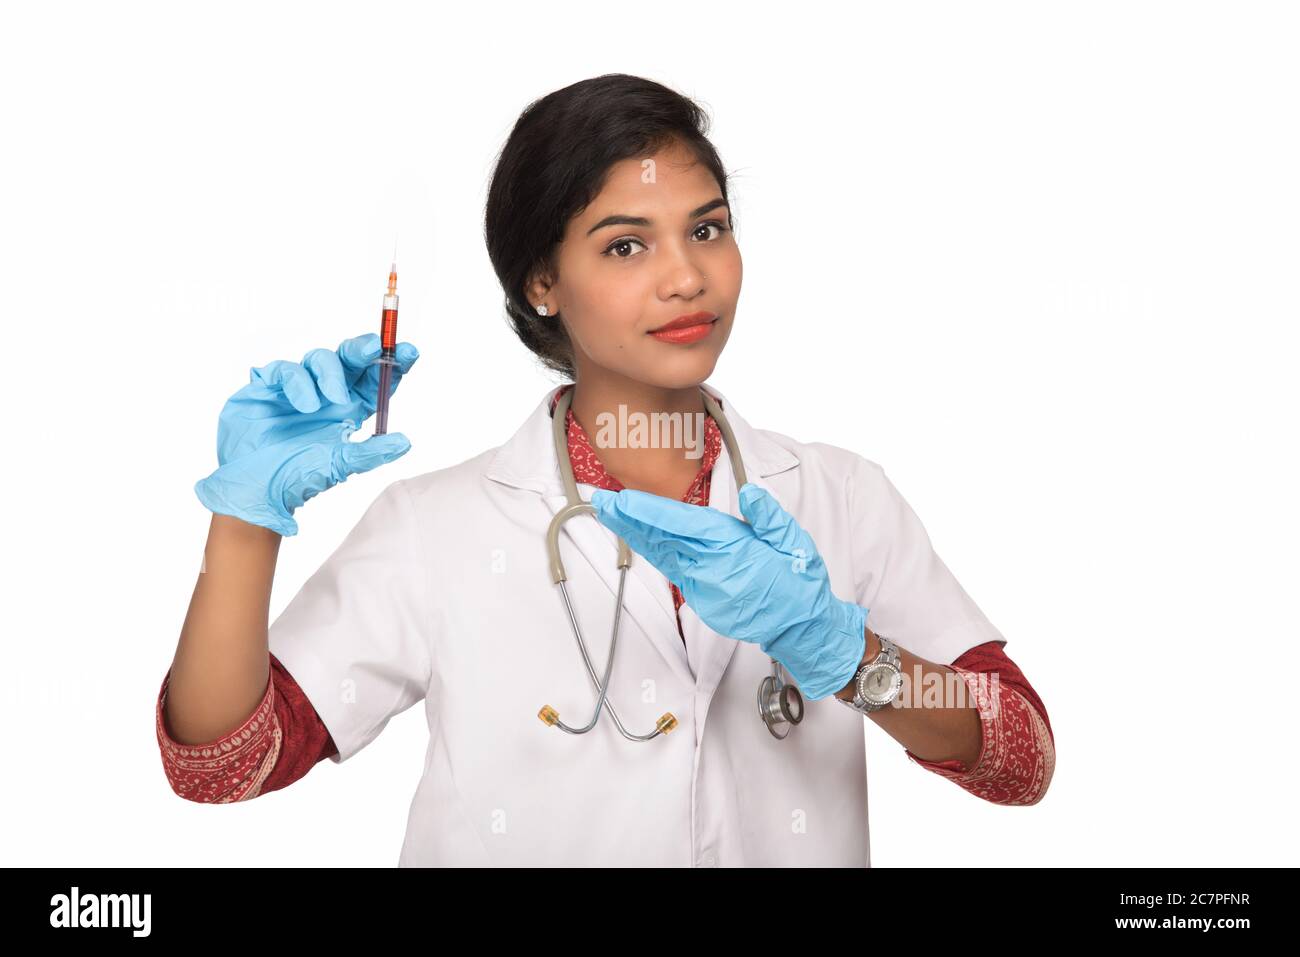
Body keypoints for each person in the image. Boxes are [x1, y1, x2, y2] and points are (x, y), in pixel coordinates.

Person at [157, 73, 1054, 866]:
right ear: (542, 282)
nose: (687, 278)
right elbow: (223, 763)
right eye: (627, 245)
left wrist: (847, 655)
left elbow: (1020, 754)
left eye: (707, 229)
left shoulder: (841, 495)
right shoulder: (435, 528)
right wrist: (244, 521)